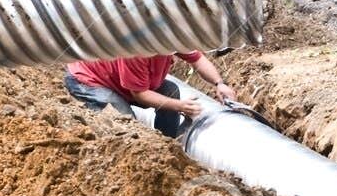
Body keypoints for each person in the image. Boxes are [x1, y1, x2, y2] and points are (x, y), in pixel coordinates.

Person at [63, 51, 237, 138]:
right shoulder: (137, 51)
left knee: (170, 91)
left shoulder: (173, 35)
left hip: (120, 80)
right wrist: (179, 106)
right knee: (126, 125)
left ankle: (168, 142)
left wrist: (219, 83)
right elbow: (140, 94)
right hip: (90, 81)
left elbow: (197, 59)